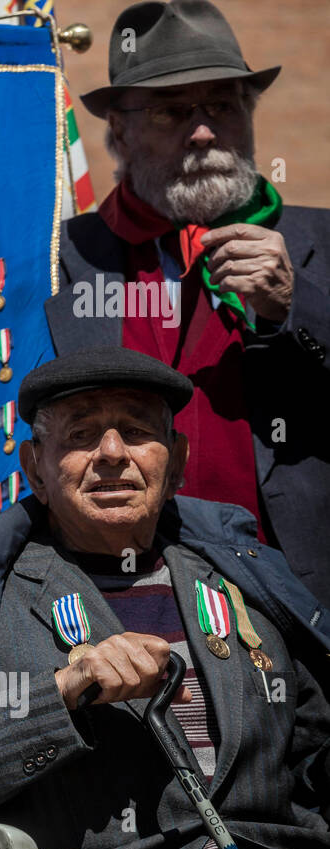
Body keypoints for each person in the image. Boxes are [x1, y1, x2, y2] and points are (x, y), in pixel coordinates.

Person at [0, 347, 330, 849]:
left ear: (176, 462)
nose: (112, 452)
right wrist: (60, 696)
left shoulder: (245, 578)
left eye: (136, 432)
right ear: (35, 469)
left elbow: (312, 749)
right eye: (81, 435)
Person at [44, 0, 330, 607]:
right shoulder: (62, 254)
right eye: (172, 111)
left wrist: (296, 305)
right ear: (119, 129)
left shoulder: (320, 244)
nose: (203, 131)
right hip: (116, 598)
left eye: (222, 106)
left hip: (302, 592)